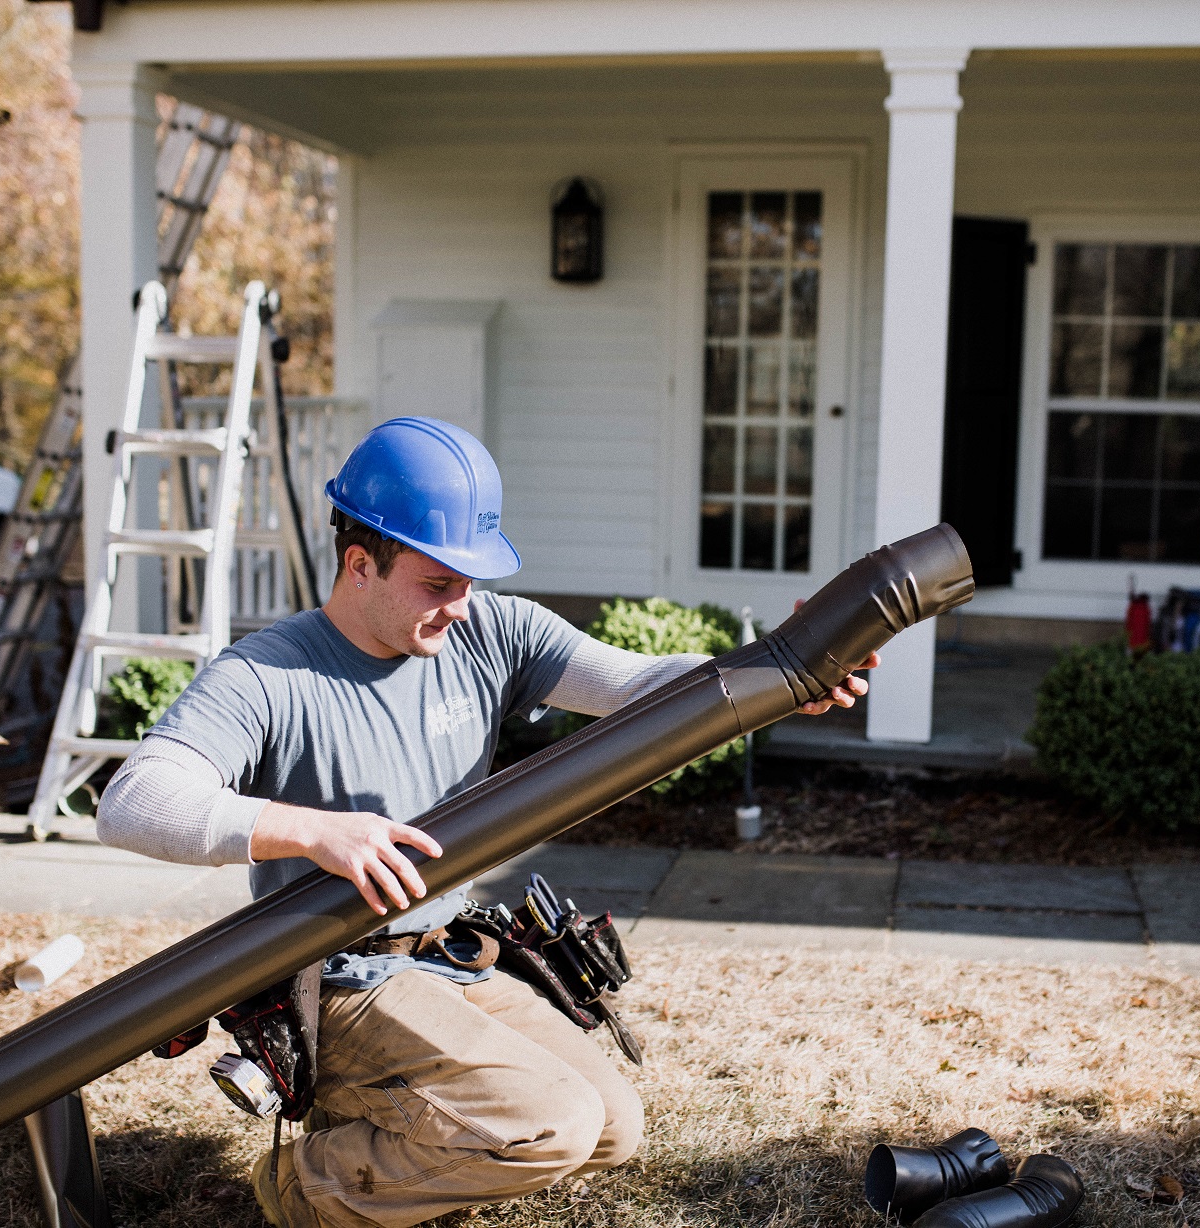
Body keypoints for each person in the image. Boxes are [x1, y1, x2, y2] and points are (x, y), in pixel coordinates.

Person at [97, 415, 872, 1228]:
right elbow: (135, 801)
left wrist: (787, 673)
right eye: (438, 584)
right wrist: (313, 830)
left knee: (612, 1126)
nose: (461, 606)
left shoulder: (492, 632)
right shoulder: (267, 675)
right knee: (551, 1124)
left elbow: (638, 686)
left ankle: (396, 1139)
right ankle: (299, 1187)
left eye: (469, 581)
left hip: (451, 957)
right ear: (359, 565)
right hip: (342, 980)